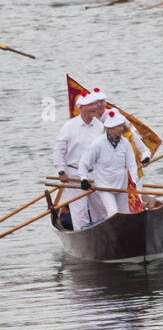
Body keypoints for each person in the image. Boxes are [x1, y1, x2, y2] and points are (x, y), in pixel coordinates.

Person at [76, 109, 143, 225]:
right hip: (105, 186)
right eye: (119, 126)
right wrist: (83, 179)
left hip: (122, 186)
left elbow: (132, 165)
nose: (123, 128)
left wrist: (134, 182)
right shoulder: (98, 143)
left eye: (122, 125)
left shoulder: (125, 143)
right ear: (111, 129)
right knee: (113, 213)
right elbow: (84, 163)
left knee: (126, 214)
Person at [52, 91, 106, 231]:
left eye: (96, 103)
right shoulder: (69, 127)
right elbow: (59, 151)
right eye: (91, 104)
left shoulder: (100, 127)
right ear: (81, 107)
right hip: (74, 175)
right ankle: (83, 236)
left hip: (95, 174)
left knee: (101, 209)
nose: (96, 107)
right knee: (79, 211)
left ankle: (102, 235)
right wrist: (61, 171)